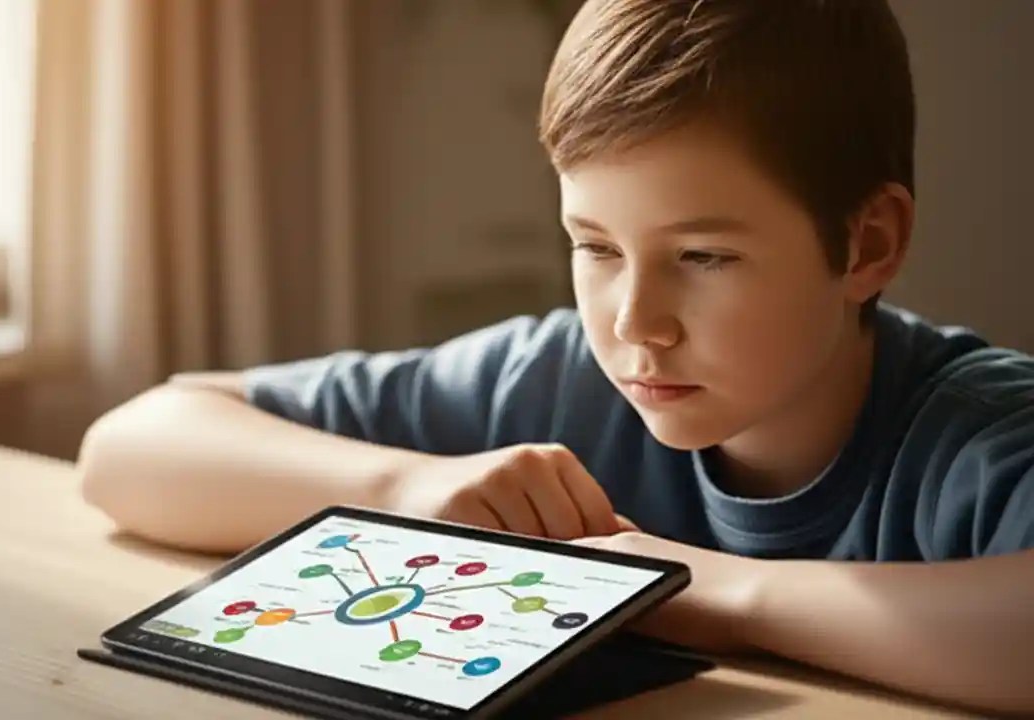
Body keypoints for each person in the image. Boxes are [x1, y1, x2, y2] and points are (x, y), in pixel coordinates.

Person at [77, 0, 1034, 714]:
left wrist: (701, 589)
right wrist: (404, 488)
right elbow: (132, 446)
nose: (635, 321)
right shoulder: (550, 380)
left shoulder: (978, 434)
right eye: (597, 247)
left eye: (703, 257)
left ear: (866, 245)